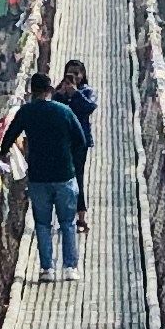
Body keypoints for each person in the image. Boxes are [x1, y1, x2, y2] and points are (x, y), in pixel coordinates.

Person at [0, 64, 92, 274]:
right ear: (49, 90)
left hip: (38, 177)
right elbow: (81, 140)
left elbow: (10, 136)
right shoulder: (64, 111)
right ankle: (70, 268)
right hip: (64, 175)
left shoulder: (27, 111)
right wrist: (68, 157)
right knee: (67, 223)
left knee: (42, 224)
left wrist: (2, 153)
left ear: (32, 92)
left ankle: (46, 269)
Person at [53, 56, 97, 240]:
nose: (75, 77)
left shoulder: (87, 91)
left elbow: (89, 108)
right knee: (62, 180)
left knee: (77, 178)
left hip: (80, 143)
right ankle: (66, 219)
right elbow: (51, 108)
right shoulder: (59, 91)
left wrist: (74, 93)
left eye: (77, 74)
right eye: (71, 74)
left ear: (83, 74)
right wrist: (62, 94)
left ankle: (81, 219)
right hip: (62, 142)